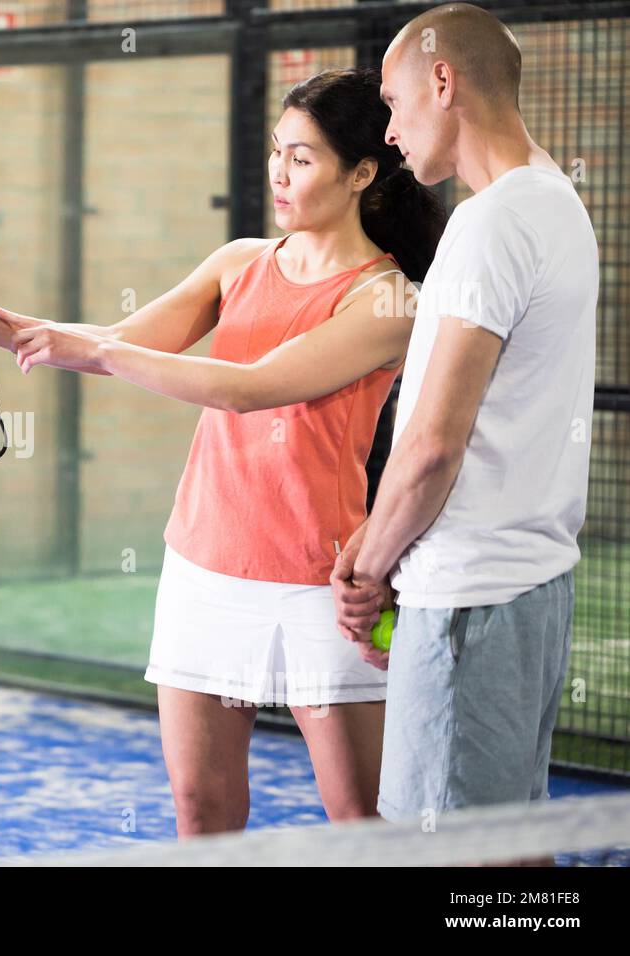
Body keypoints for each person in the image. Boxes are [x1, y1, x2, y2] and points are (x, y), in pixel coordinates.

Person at [0, 68, 447, 834]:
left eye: (301, 158)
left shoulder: (389, 298)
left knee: (362, 818)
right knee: (200, 806)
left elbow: (249, 386)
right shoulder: (238, 262)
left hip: (319, 582)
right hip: (202, 567)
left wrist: (98, 352)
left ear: (362, 173)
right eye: (276, 152)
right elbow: (122, 340)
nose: (278, 172)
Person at [330, 4, 598, 827]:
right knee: (510, 844)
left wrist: (368, 565)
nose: (389, 129)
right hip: (534, 593)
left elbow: (432, 447)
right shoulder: (559, 203)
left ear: (443, 81)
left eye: (395, 101)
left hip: (468, 606)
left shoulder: (489, 225)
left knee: (441, 856)